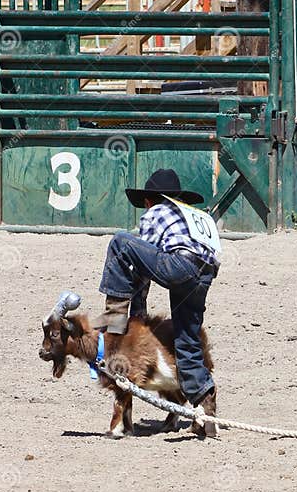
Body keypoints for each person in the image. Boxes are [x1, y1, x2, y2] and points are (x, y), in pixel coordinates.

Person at [93, 168, 220, 437]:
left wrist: (136, 317)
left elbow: (141, 267)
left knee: (120, 243)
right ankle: (206, 408)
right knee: (187, 340)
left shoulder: (155, 212)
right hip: (204, 274)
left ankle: (115, 321)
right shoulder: (195, 216)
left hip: (179, 265)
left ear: (149, 200)